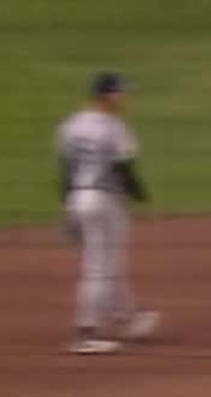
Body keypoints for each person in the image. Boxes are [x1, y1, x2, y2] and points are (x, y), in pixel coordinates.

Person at [56, 71, 158, 355]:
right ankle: (86, 333)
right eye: (122, 92)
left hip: (79, 196)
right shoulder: (114, 128)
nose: (126, 98)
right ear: (107, 95)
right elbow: (123, 169)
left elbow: (66, 169)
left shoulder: (71, 126)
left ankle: (129, 318)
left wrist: (68, 206)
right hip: (106, 201)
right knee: (99, 267)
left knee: (109, 263)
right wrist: (143, 200)